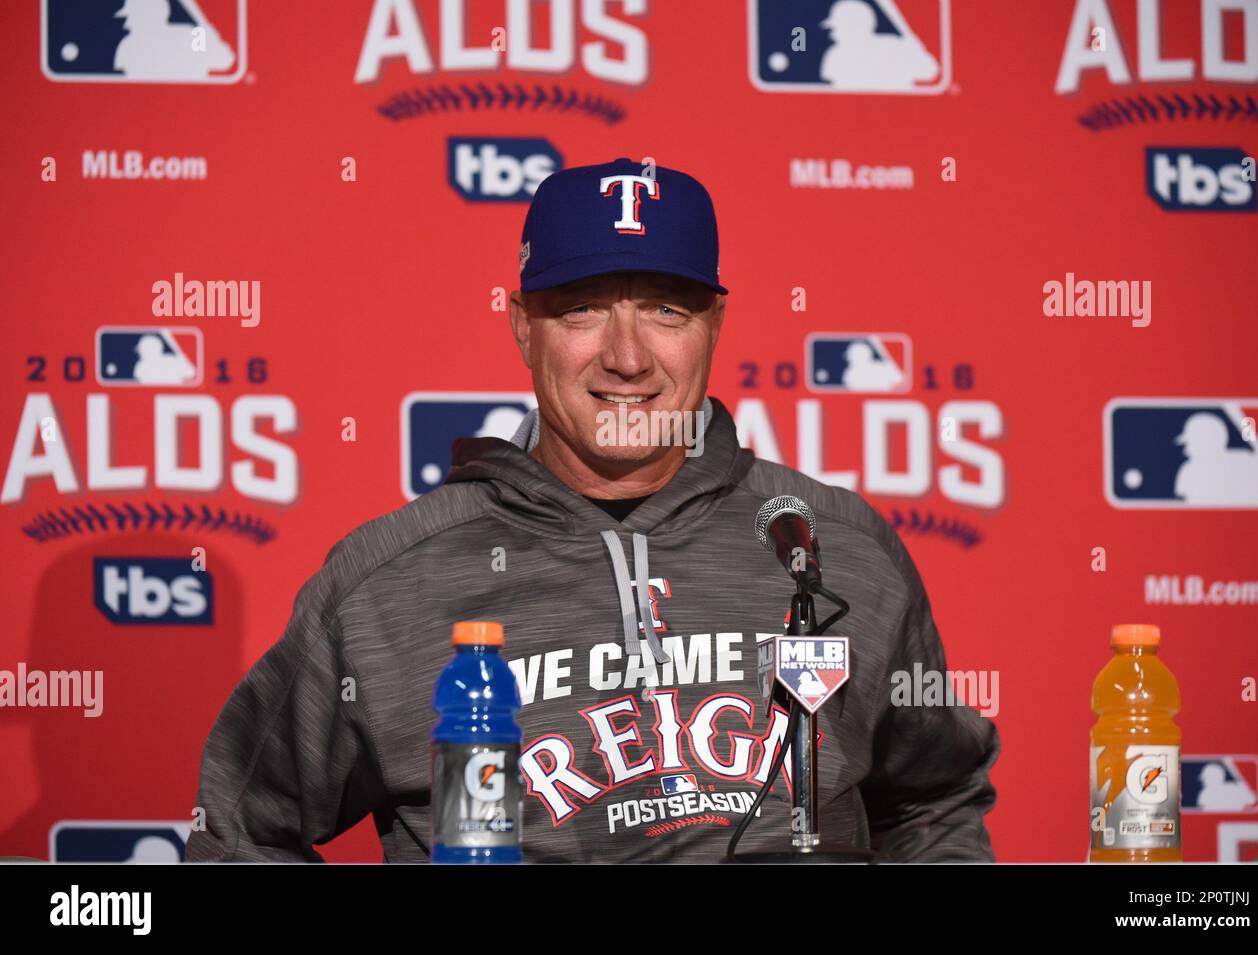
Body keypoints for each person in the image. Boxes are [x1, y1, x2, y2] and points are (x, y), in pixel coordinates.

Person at [185, 157, 999, 863]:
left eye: (666, 309)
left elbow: (934, 802)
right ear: (521, 326)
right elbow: (239, 834)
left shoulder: (837, 550)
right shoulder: (387, 585)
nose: (628, 355)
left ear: (714, 324)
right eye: (582, 309)